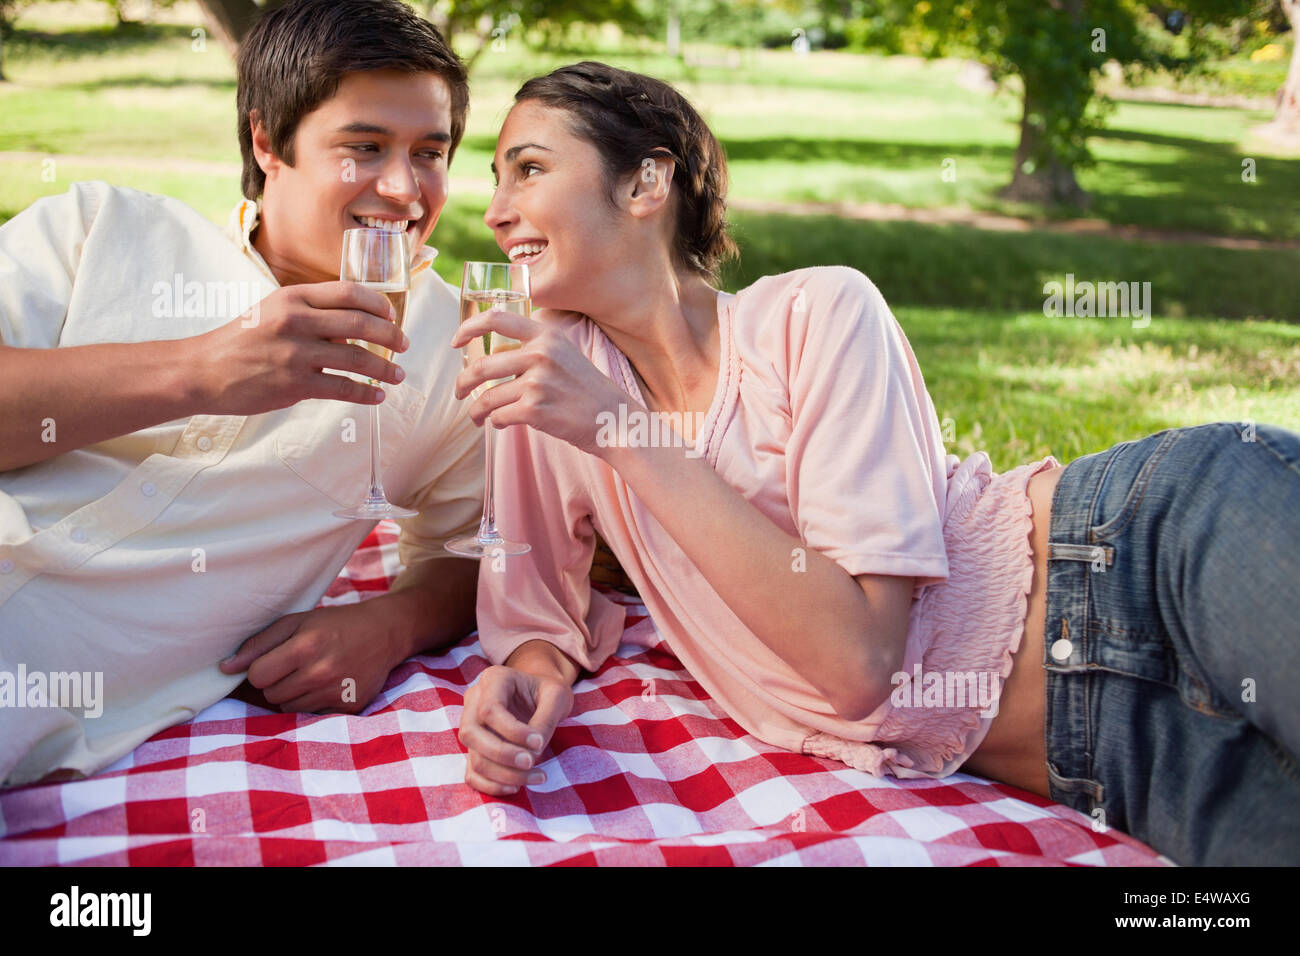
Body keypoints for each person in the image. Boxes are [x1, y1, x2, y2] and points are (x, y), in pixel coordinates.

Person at [453, 61, 1300, 866]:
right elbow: (538, 614)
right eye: (494, 178)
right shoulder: (548, 383)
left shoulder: (816, 314)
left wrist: (622, 433)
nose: (495, 209)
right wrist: (524, 691)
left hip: (1147, 558)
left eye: (526, 169)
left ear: (646, 184)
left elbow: (859, 663)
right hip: (1109, 754)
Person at [0, 0, 484, 787]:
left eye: (430, 152)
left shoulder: (453, 350)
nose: (403, 188)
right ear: (268, 142)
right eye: (364, 147)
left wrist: (391, 623)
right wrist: (199, 371)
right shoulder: (103, 230)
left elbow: (471, 546)